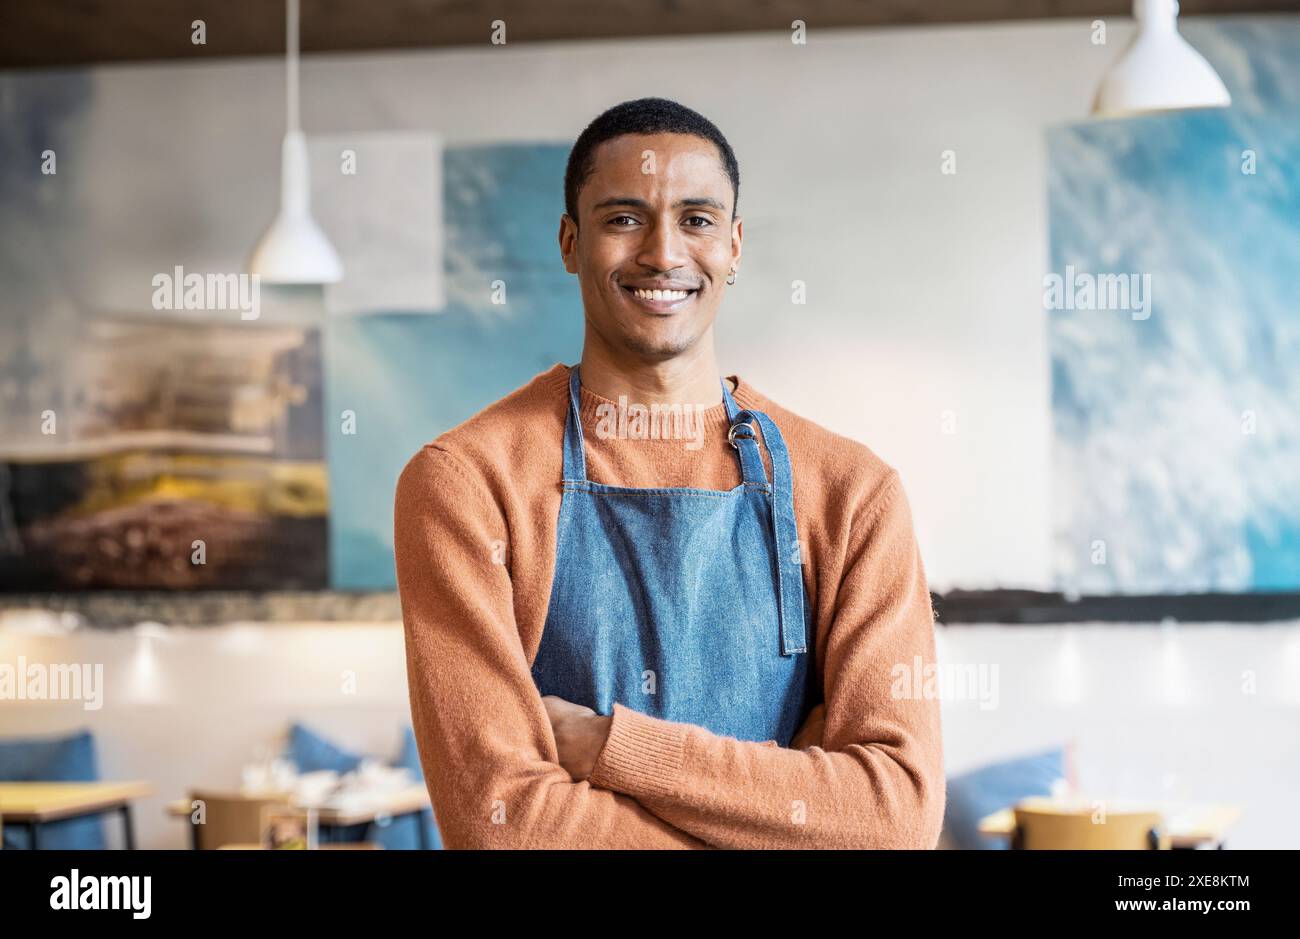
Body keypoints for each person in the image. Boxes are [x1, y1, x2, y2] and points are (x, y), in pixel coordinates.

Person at [394, 97, 944, 848]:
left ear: (735, 245)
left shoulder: (854, 494)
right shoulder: (464, 484)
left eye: (696, 219)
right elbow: (505, 824)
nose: (662, 252)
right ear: (569, 241)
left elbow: (895, 820)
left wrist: (601, 746)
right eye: (623, 217)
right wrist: (792, 807)